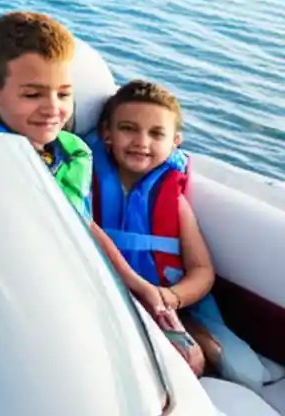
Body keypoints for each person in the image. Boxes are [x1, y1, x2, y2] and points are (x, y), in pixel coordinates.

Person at [0, 11, 203, 372]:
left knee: (190, 361)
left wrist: (139, 287)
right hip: (20, 301)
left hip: (84, 286)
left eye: (64, 94)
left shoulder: (74, 153)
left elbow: (85, 226)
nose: (53, 109)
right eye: (32, 94)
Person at [90, 80, 270, 387]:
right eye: (128, 128)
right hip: (107, 297)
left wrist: (170, 298)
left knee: (230, 366)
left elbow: (202, 270)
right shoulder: (86, 184)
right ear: (107, 133)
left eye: (156, 133)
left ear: (175, 142)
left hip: (168, 303)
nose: (141, 141)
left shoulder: (174, 201)